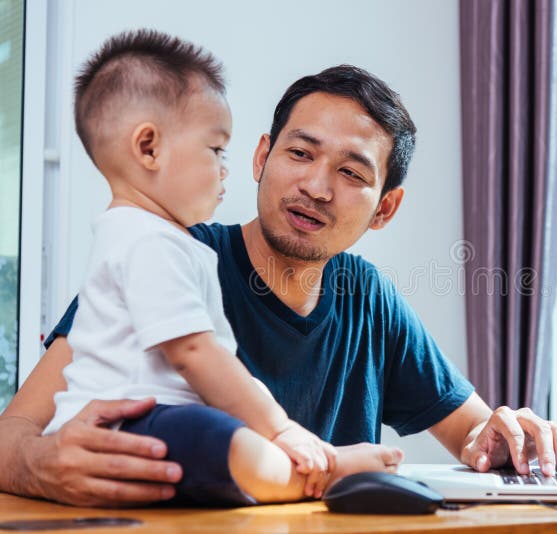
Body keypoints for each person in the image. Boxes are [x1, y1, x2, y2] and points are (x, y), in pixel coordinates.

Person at [0, 53, 557, 508]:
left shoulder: (367, 297)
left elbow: (475, 436)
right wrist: (40, 464)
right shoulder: (175, 255)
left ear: (385, 209)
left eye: (351, 172)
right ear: (261, 158)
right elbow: (11, 437)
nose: (317, 187)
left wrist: (501, 438)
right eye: (301, 153)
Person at [32, 29, 402, 506]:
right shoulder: (149, 244)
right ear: (149, 148)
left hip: (157, 428)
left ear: (385, 207)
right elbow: (196, 354)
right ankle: (326, 471)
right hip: (132, 428)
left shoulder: (152, 240)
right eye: (214, 151)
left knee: (226, 433)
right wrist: (283, 429)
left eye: (350, 172)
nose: (224, 168)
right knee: (232, 441)